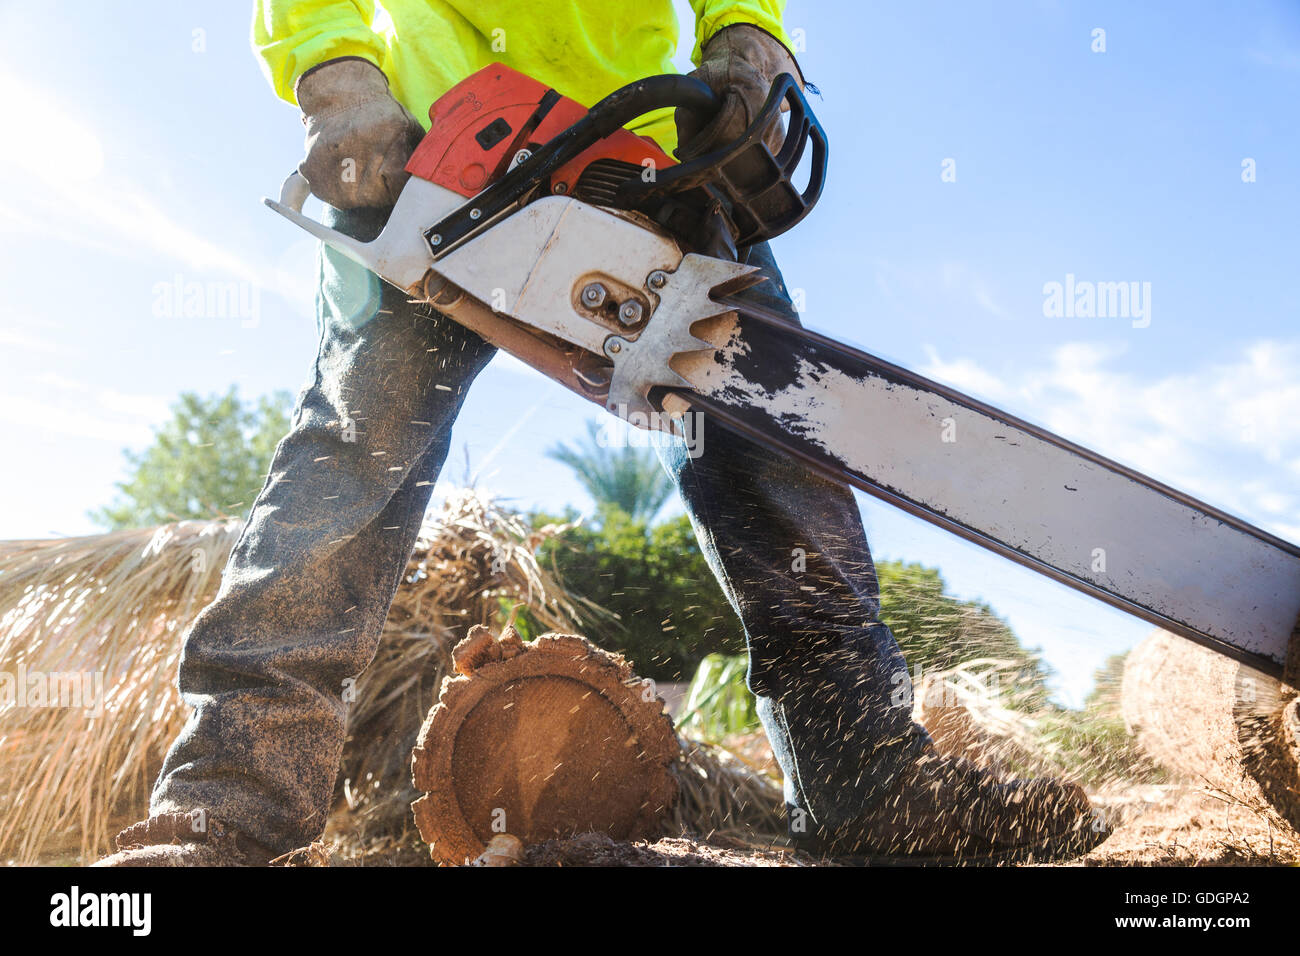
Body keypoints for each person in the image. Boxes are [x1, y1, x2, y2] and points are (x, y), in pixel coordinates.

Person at [101, 0, 1099, 866]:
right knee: (353, 455)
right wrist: (338, 75)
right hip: (428, 142)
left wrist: (748, 39)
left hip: (653, 151)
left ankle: (866, 784)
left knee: (773, 456)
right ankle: (228, 808)